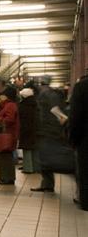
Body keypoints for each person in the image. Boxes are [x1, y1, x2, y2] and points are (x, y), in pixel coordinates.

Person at [32, 77, 68, 193]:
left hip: (49, 131)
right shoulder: (51, 94)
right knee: (45, 157)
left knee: (46, 157)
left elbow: (54, 110)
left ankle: (47, 184)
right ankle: (47, 184)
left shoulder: (47, 95)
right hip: (49, 130)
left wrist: (54, 127)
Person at [0, 86, 20, 185]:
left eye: (2, 95)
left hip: (7, 135)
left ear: (7, 96)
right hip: (6, 134)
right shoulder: (6, 105)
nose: (0, 97)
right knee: (4, 156)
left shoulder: (10, 105)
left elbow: (9, 120)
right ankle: (5, 177)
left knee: (5, 156)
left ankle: (7, 178)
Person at [69, 70, 88, 211]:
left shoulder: (82, 86)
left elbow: (76, 116)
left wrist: (73, 139)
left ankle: (86, 202)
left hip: (85, 138)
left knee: (85, 170)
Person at [17, 87, 40, 174]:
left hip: (26, 129)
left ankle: (28, 168)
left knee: (26, 149)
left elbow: (22, 118)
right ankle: (35, 167)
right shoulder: (36, 103)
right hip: (35, 129)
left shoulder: (23, 105)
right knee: (33, 149)